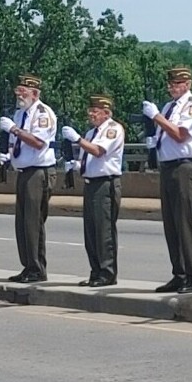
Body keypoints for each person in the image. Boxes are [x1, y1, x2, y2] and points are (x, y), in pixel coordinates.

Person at [142, 67, 192, 294]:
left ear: (188, 84)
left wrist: (156, 117)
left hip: (184, 166)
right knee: (171, 225)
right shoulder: (169, 107)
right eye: (170, 84)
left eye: (177, 83)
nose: (172, 87)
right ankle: (179, 274)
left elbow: (181, 134)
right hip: (168, 166)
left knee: (184, 224)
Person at [0, 74, 58, 283]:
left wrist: (13, 129)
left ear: (34, 93)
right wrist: (8, 154)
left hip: (38, 172)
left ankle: (37, 269)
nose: (19, 95)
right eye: (18, 91)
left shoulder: (42, 113)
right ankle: (28, 266)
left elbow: (38, 142)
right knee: (22, 223)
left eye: (23, 92)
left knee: (34, 222)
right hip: (24, 171)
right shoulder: (20, 114)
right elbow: (18, 142)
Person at [62, 95, 124, 287]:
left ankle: (107, 273)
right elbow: (87, 158)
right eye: (90, 111)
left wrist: (77, 139)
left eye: (95, 111)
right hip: (91, 184)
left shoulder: (113, 129)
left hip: (105, 184)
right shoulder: (91, 133)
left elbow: (98, 151)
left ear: (106, 113)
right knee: (91, 232)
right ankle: (95, 272)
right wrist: (76, 165)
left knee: (104, 231)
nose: (91, 114)